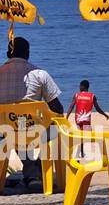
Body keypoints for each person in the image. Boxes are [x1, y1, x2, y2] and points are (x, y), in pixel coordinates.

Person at [0, 37, 63, 191]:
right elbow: (57, 108)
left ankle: (31, 171)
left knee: (16, 126)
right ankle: (39, 167)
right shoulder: (40, 74)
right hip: (36, 131)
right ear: (27, 53)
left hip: (6, 131)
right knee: (56, 129)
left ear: (8, 53)